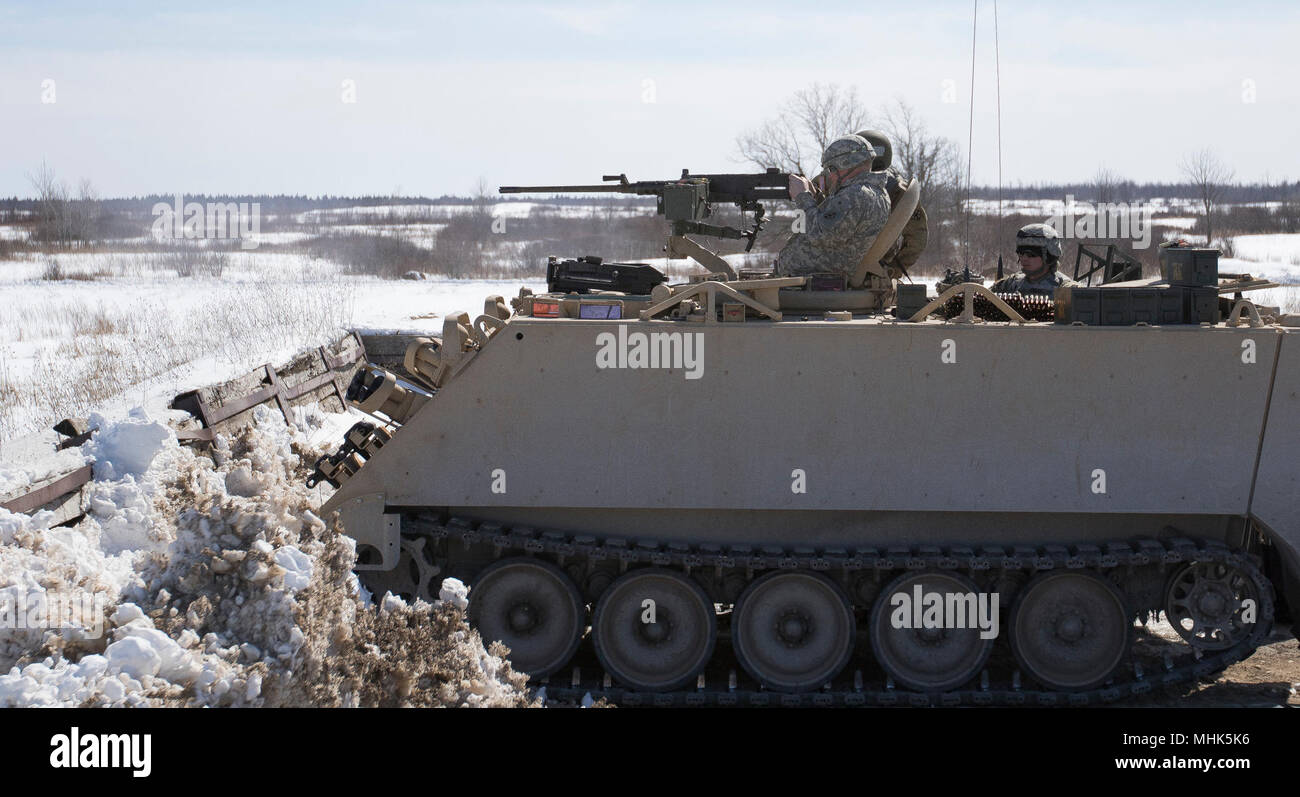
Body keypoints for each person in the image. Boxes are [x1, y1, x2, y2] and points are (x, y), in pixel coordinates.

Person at [774, 135, 891, 280]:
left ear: (844, 164)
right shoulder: (873, 192)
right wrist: (815, 198)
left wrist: (802, 197)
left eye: (831, 169)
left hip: (819, 280)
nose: (830, 176)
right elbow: (836, 226)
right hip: (818, 277)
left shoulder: (855, 195)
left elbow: (820, 235)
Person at [990, 223, 1080, 295]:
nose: (1024, 259)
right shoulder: (1012, 283)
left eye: (1031, 254)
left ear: (1048, 257)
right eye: (1021, 253)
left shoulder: (1064, 288)